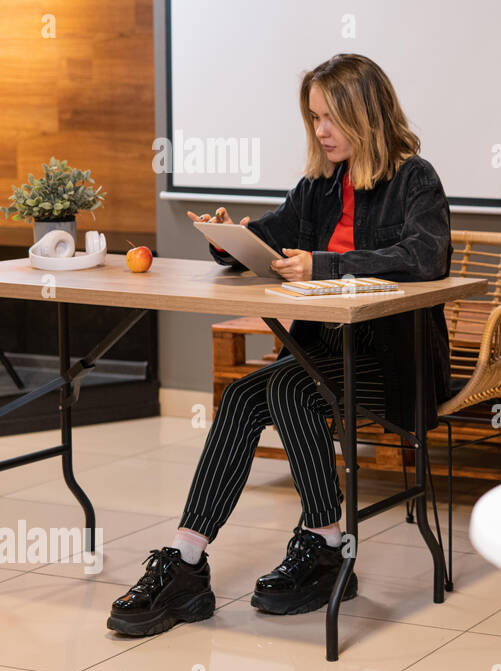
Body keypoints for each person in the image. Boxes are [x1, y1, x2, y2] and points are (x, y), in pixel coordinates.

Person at [107, 53, 452, 636]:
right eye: (314, 117)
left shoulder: (414, 178)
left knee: (293, 388)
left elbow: (426, 256)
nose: (321, 130)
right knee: (245, 396)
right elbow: (270, 237)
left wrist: (326, 264)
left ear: (367, 114)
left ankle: (323, 546)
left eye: (332, 117)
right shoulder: (321, 184)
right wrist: (228, 241)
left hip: (394, 363)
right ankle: (187, 561)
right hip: (325, 355)